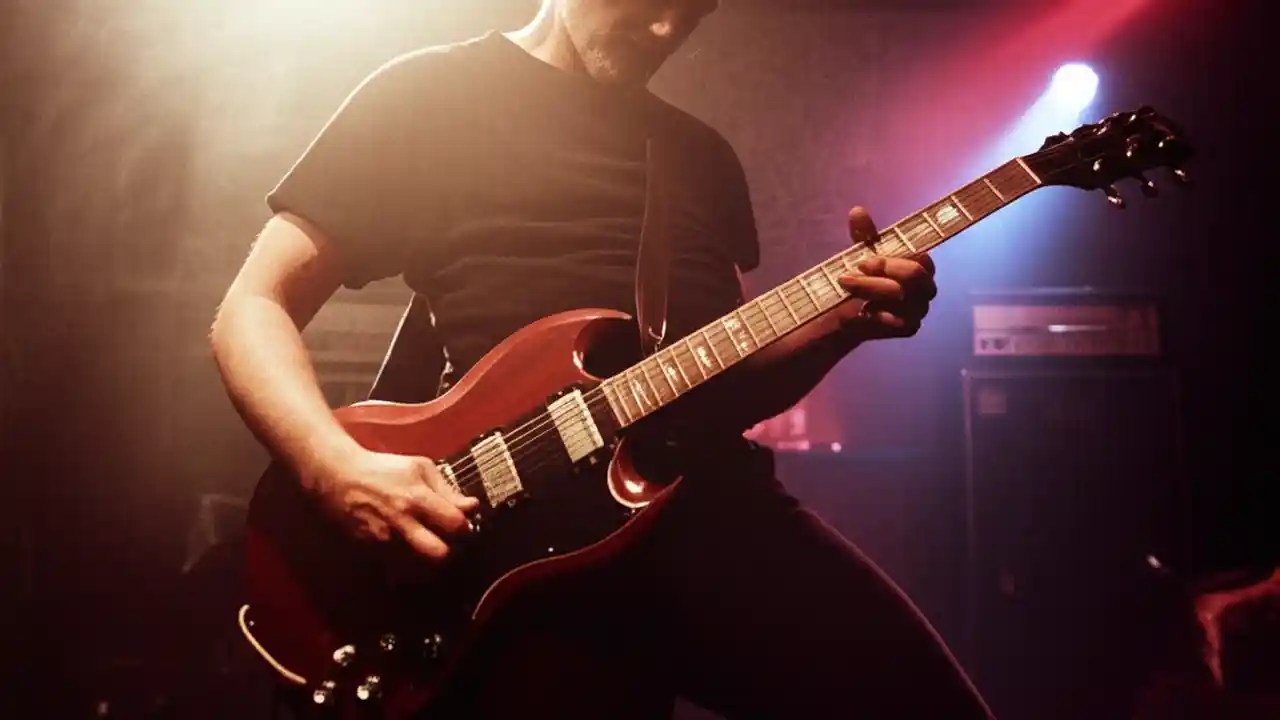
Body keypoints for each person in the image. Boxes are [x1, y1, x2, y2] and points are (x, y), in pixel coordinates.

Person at [209, 1, 994, 717]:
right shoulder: (427, 97)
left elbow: (720, 385)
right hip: (504, 539)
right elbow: (253, 305)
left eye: (693, 10)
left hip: (704, 511)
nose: (667, 29)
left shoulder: (700, 155)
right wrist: (334, 469)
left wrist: (847, 323)